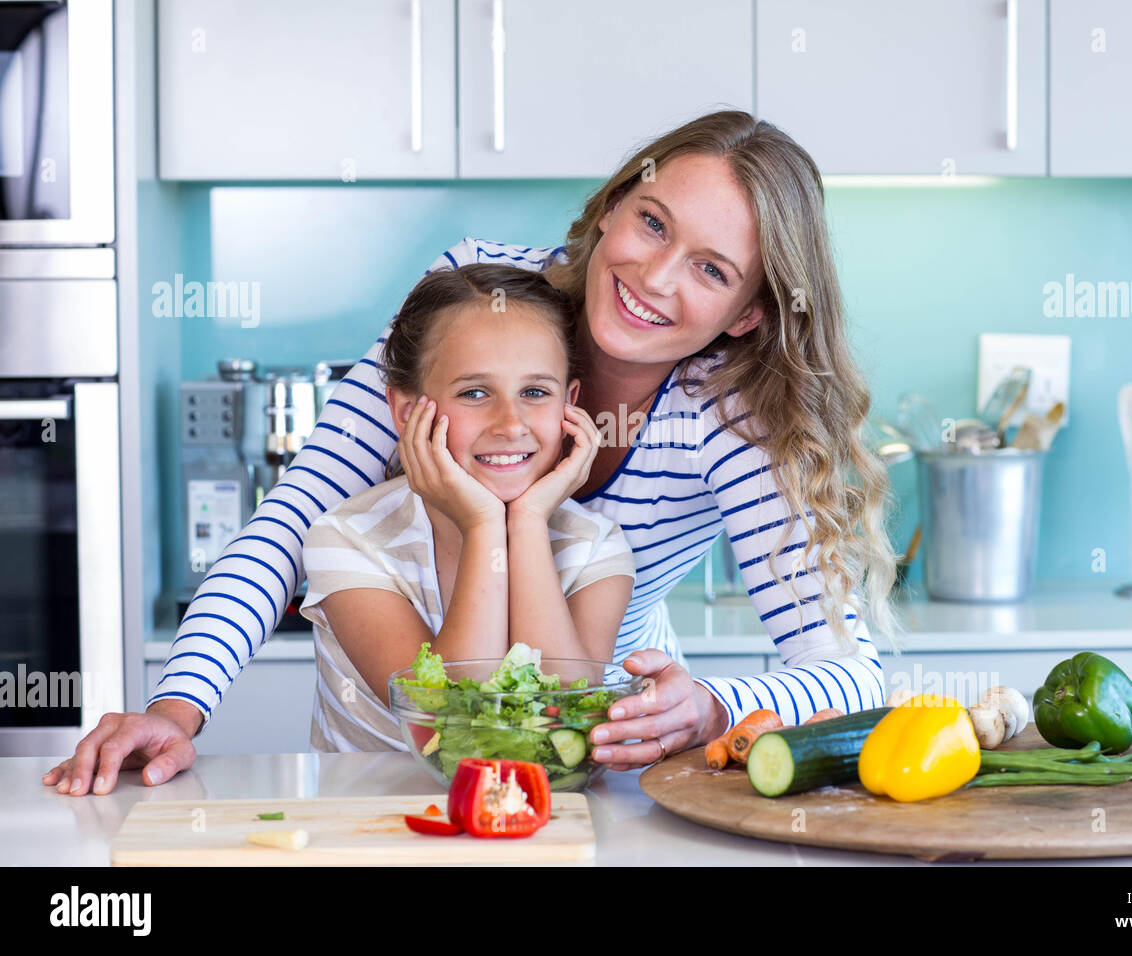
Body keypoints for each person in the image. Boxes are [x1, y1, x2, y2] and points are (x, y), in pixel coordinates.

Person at [45, 109, 897, 795]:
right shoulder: (482, 294)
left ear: (747, 313)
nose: (654, 277)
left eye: (712, 271)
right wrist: (179, 703)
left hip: (580, 737)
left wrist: (713, 706)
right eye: (651, 223)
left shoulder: (733, 412)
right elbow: (292, 520)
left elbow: (847, 672)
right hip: (397, 738)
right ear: (612, 207)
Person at [300, 263, 635, 751]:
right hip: (370, 816)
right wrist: (483, 527)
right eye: (475, 393)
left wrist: (526, 522)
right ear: (408, 411)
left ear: (571, 403)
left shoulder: (595, 547)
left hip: (544, 816)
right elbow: (446, 726)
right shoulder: (348, 539)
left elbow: (565, 724)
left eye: (536, 392)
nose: (511, 422)